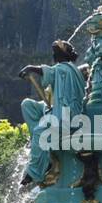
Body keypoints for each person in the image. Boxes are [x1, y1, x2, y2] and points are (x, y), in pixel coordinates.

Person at [18, 39, 85, 187]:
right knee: (28, 105)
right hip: (56, 108)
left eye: (56, 53)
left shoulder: (67, 68)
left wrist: (31, 67)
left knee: (39, 132)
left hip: (68, 114)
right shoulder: (62, 69)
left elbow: (50, 71)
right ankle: (43, 150)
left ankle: (35, 171)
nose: (53, 56)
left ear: (64, 55)